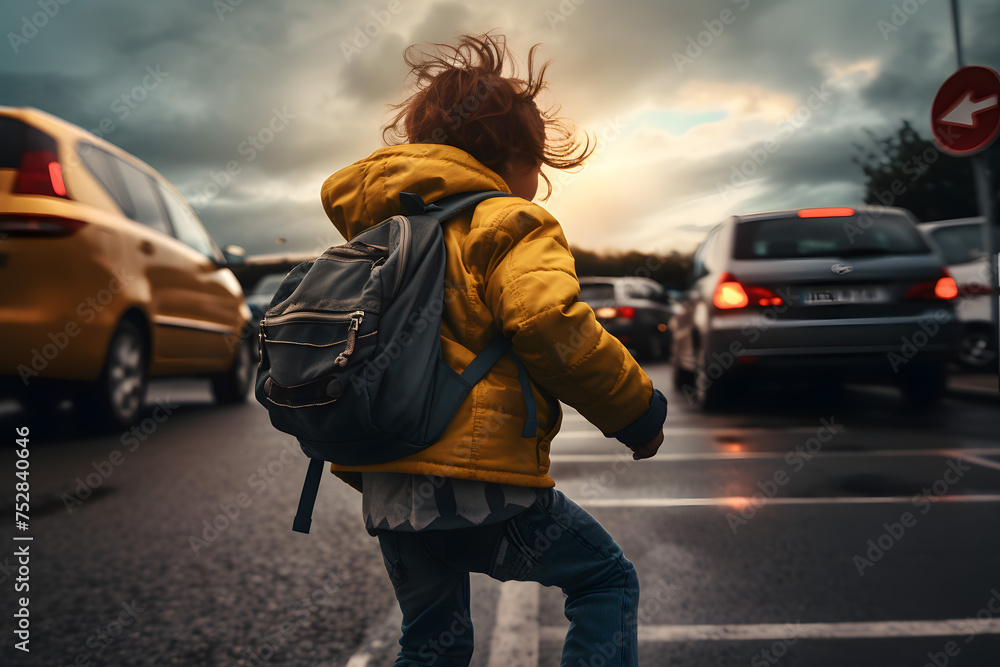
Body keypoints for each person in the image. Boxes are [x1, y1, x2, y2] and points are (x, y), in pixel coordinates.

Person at [320, 33, 667, 667]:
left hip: (387, 486)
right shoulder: (508, 222)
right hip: (482, 491)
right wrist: (636, 411)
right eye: (536, 163)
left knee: (431, 644)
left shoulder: (377, 234)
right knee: (604, 580)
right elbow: (548, 322)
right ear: (510, 157)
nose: (538, 184)